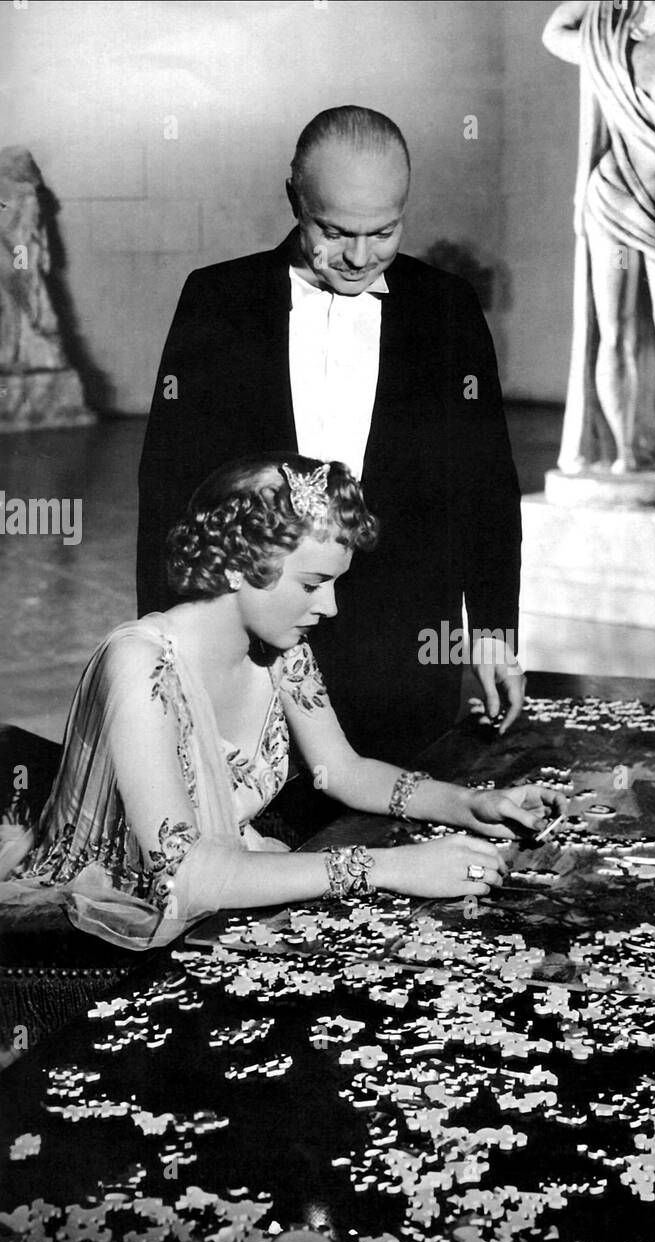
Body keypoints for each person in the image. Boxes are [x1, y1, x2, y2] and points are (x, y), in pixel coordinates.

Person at [0, 457, 563, 952]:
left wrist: (470, 804)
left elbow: (343, 771)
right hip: (117, 909)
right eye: (313, 583)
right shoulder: (140, 664)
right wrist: (392, 868)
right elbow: (184, 877)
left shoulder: (282, 650)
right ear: (235, 566)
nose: (332, 607)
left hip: (233, 878)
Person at [136, 106, 524, 765]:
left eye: (384, 232)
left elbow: (485, 485)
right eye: (334, 231)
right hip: (254, 635)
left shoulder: (447, 308)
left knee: (394, 823)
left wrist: (490, 629)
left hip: (403, 649)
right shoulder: (217, 300)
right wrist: (165, 641)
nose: (358, 256)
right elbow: (171, 489)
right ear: (295, 198)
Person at [543, 0, 655, 479]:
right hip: (635, 207)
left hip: (633, 206)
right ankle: (649, 446)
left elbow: (556, 31)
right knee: (649, 333)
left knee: (644, 332)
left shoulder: (621, 55)